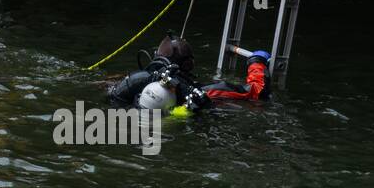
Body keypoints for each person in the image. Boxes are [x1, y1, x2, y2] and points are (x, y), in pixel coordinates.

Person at [107, 34, 272, 112]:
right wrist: (256, 62)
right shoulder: (207, 92)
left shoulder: (136, 81)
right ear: (188, 65)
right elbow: (257, 91)